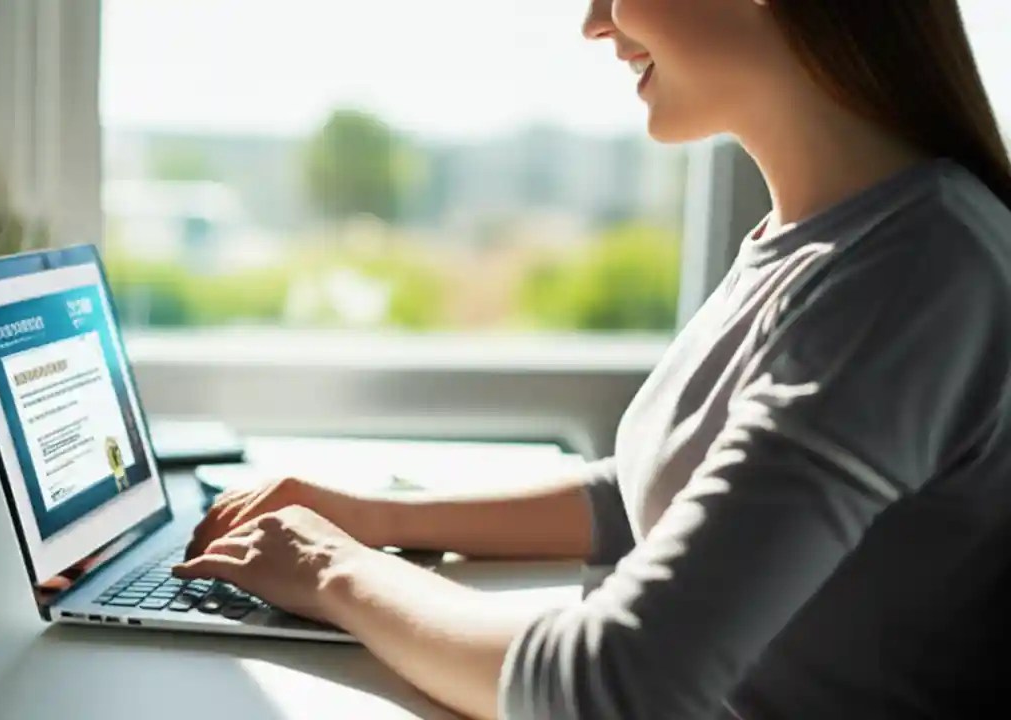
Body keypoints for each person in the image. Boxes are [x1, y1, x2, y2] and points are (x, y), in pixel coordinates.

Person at [175, 1, 1011, 717]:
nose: (593, 22)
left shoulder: (914, 268)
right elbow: (652, 491)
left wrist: (332, 570)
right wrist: (384, 517)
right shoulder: (825, 236)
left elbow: (612, 690)